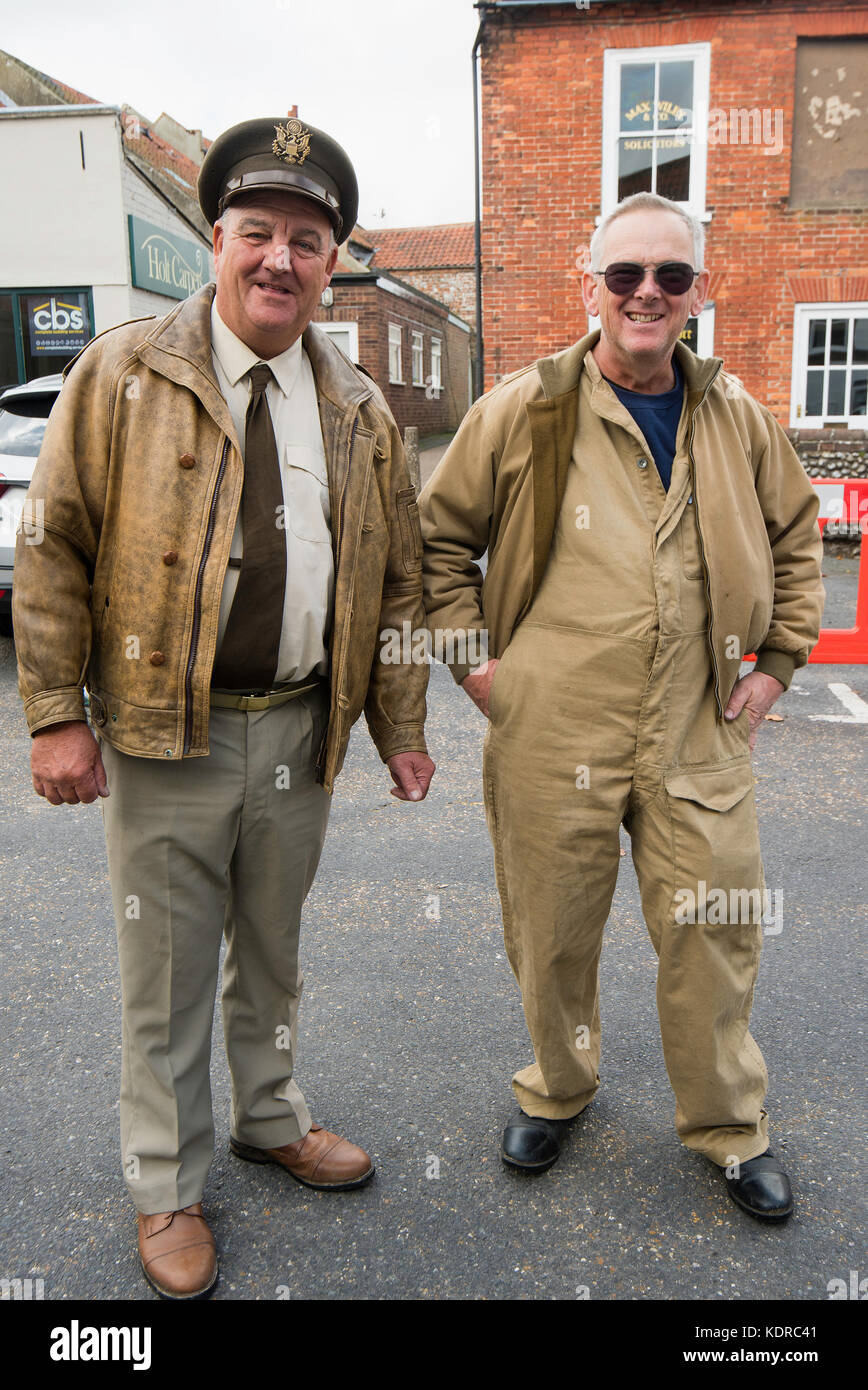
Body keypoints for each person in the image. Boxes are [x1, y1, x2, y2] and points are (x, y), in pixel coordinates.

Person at [13, 115, 434, 1298]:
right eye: (258, 232)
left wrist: (399, 728)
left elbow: (396, 574)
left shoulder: (356, 405)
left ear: (332, 262)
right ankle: (166, 1184)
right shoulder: (124, 370)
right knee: (166, 972)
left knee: (275, 956)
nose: (279, 260)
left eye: (308, 240)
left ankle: (269, 1115)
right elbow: (51, 545)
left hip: (301, 728)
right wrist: (55, 712)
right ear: (215, 239)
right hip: (163, 738)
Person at [419, 191, 823, 1222]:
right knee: (550, 928)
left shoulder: (737, 418)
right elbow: (434, 546)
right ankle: (557, 1086)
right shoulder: (524, 408)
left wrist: (775, 662)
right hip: (553, 721)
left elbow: (796, 537)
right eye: (625, 274)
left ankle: (729, 1125)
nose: (646, 293)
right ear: (588, 285)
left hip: (699, 722)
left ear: (698, 291)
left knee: (713, 926)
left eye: (669, 275)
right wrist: (477, 671)